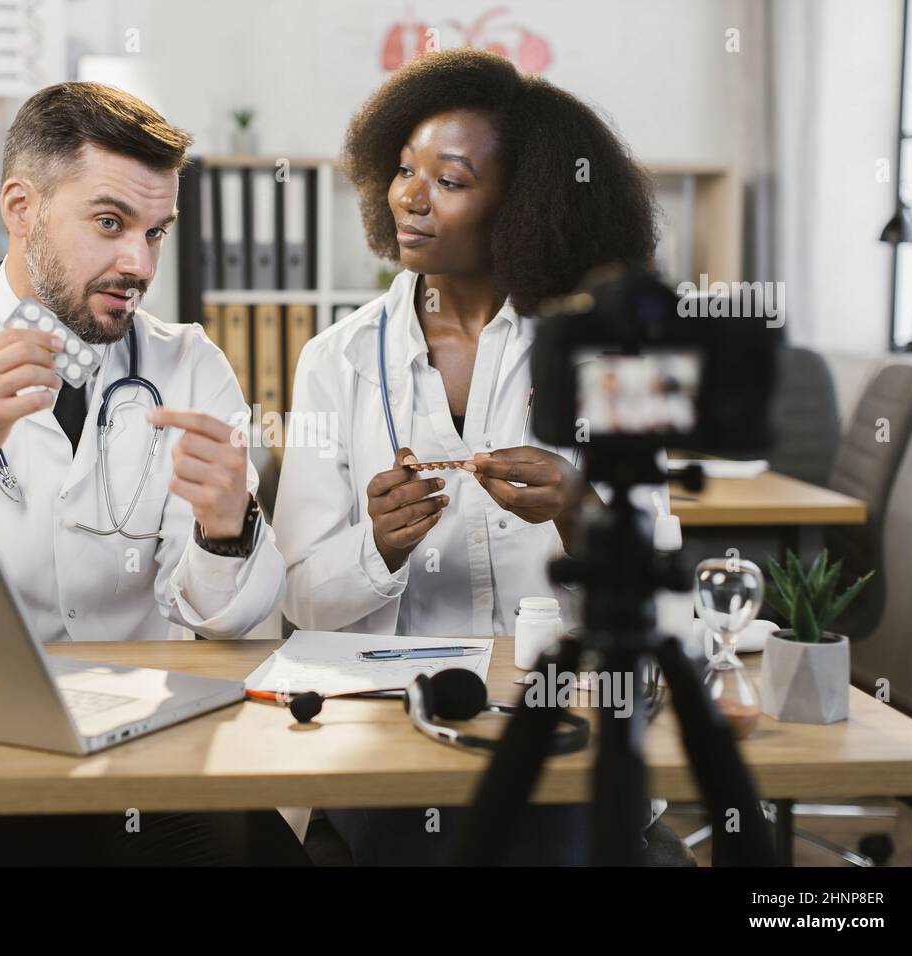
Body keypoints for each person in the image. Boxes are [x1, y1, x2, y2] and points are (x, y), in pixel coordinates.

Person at [0, 82, 301, 866]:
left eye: (155, 232)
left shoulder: (188, 364)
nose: (138, 264)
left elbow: (223, 625)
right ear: (20, 208)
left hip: (144, 761)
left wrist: (223, 530)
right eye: (109, 223)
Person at [273, 49, 661, 865]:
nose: (409, 197)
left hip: (561, 722)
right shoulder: (333, 361)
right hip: (387, 730)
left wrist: (579, 514)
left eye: (449, 181)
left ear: (521, 206)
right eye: (404, 170)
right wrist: (375, 548)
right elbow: (301, 601)